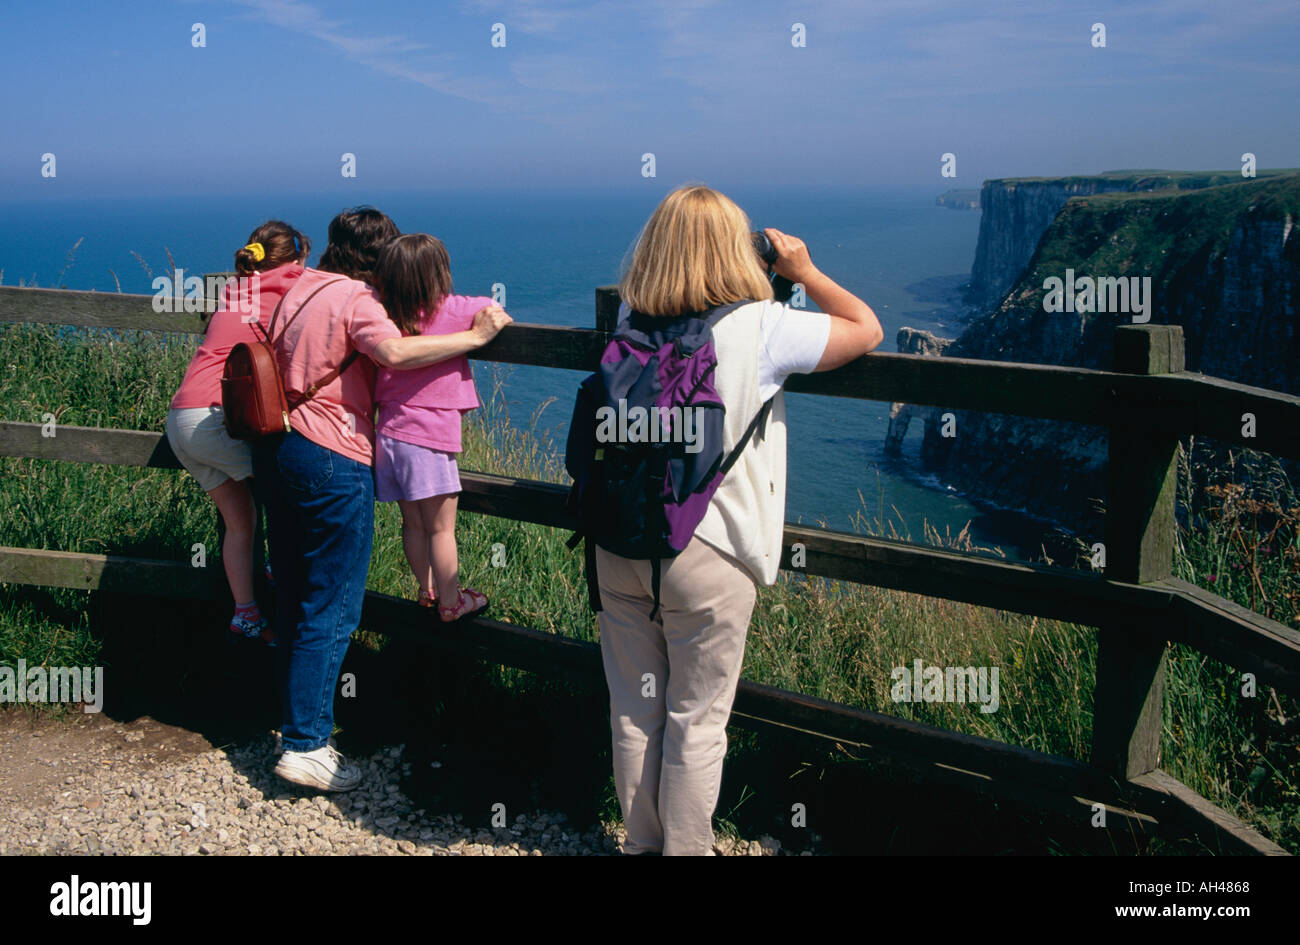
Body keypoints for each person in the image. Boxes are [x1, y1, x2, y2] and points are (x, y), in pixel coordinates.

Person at [597, 184, 883, 855]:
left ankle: (640, 845)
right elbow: (867, 327)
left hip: (621, 542)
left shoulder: (630, 318)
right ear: (735, 251)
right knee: (696, 720)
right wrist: (803, 271)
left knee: (635, 710)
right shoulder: (763, 326)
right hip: (710, 550)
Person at [252, 207, 512, 792]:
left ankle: (293, 720)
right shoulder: (358, 301)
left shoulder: (303, 286)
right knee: (334, 604)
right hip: (331, 453)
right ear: (379, 257)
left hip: (279, 447)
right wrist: (474, 337)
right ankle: (307, 744)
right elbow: (394, 354)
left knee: (294, 590)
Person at [166, 220, 310, 644]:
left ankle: (246, 616)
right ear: (295, 259)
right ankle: (287, 583)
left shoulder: (236, 287)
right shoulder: (289, 283)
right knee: (293, 493)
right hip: (214, 420)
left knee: (241, 520)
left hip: (182, 420)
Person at [372, 233, 489, 622]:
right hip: (427, 436)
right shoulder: (452, 310)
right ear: (440, 274)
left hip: (388, 433)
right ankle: (452, 603)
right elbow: (493, 309)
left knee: (413, 524)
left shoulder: (383, 315)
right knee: (442, 529)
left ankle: (427, 591)